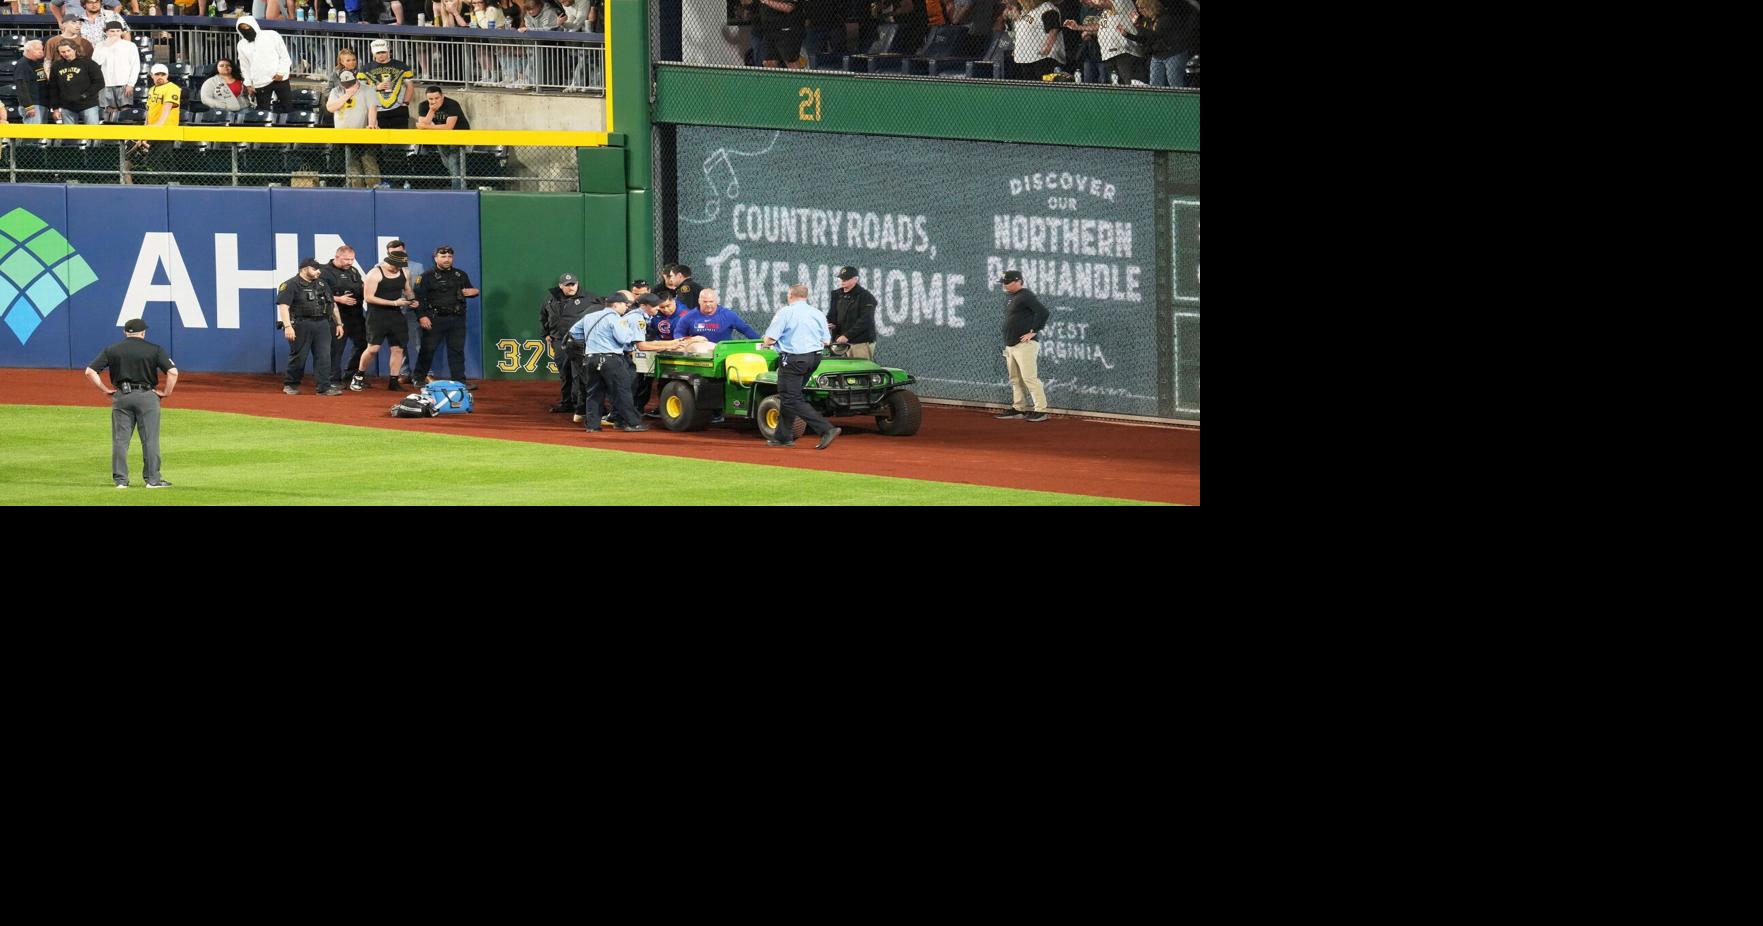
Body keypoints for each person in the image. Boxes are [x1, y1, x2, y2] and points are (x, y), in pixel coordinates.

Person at [568, 291, 683, 433]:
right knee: (623, 391)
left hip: (590, 358)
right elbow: (624, 339)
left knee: (594, 393)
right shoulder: (616, 319)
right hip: (611, 359)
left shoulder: (590, 316)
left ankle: (592, 426)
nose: (627, 307)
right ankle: (632, 423)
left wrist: (594, 341)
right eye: (624, 304)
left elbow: (574, 332)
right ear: (616, 305)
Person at [86, 317, 177, 489]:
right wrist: (166, 392)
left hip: (122, 397)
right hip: (147, 397)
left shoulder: (112, 349)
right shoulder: (154, 349)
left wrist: (104, 389)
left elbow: (90, 371)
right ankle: (153, 480)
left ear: (125, 333)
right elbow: (173, 372)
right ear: (143, 332)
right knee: (150, 440)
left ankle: (121, 481)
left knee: (120, 440)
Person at [760, 282, 840, 450]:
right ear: (806, 296)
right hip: (815, 358)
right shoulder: (817, 313)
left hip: (794, 360)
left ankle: (826, 429)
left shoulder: (786, 312)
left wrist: (767, 342)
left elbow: (769, 339)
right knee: (790, 397)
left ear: (790, 295)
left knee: (790, 397)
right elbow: (826, 341)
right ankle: (783, 437)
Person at [413, 245, 479, 387]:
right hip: (434, 319)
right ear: (436, 258)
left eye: (449, 256)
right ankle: (419, 378)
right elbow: (418, 299)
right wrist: (422, 317)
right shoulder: (426, 277)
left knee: (457, 351)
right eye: (443, 256)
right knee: (427, 350)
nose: (447, 259)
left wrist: (475, 292)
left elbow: (469, 290)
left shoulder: (460, 275)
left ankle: (460, 382)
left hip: (457, 319)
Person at [278, 258, 344, 395]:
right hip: (301, 324)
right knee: (299, 356)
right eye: (315, 269)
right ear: (304, 269)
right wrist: (288, 326)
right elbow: (284, 307)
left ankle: (324, 387)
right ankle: (291, 384)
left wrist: (339, 323)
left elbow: (332, 304)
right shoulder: (290, 284)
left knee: (324, 356)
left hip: (322, 324)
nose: (318, 271)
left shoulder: (322, 284)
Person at [352, 251, 415, 392]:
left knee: (398, 349)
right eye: (396, 265)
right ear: (390, 261)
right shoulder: (374, 273)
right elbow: (368, 297)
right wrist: (394, 303)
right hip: (377, 316)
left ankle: (393, 380)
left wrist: (412, 300)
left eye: (401, 265)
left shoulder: (404, 272)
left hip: (396, 316)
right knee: (373, 349)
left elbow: (408, 290)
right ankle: (359, 376)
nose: (398, 268)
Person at [994, 269, 1049, 421]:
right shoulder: (1012, 297)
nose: (1004, 285)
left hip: (1025, 345)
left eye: (1008, 282)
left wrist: (1034, 331)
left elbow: (1043, 312)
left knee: (1029, 378)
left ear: (1018, 281)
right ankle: (1019, 408)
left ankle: (1041, 410)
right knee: (1015, 379)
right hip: (1012, 345)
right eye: (1003, 282)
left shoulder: (1026, 295)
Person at [540, 272, 596, 414]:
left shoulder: (590, 298)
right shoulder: (550, 300)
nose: (571, 287)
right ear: (561, 286)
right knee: (565, 373)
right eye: (567, 285)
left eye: (573, 284)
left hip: (579, 342)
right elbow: (544, 316)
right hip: (559, 341)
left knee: (580, 374)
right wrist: (546, 333)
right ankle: (567, 402)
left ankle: (581, 404)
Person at [320, 245, 368, 391]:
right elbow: (318, 294)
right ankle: (333, 379)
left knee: (363, 345)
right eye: (346, 259)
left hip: (356, 315)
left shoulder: (353, 270)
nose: (349, 262)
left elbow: (362, 288)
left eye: (352, 259)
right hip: (336, 316)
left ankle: (352, 376)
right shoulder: (324, 272)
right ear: (337, 257)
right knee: (336, 348)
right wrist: (338, 299)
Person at [324, 68, 381, 187]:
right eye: (345, 84)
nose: (347, 86)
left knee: (369, 162)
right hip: (344, 135)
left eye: (350, 83)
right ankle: (356, 190)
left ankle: (374, 189)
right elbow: (330, 108)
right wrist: (347, 95)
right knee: (351, 165)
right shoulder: (336, 91)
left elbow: (372, 108)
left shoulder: (368, 89)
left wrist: (371, 124)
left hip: (363, 133)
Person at [414, 85, 470, 188]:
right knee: (447, 164)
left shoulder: (452, 104)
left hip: (458, 136)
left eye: (436, 98)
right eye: (430, 99)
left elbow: (449, 127)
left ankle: (458, 191)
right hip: (440, 137)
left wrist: (426, 126)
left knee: (453, 163)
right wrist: (432, 111)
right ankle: (462, 183)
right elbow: (423, 127)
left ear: (442, 96)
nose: (434, 101)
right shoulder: (423, 105)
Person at [235, 15, 292, 111]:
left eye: (247, 27)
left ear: (253, 25)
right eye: (242, 28)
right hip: (260, 82)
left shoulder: (272, 35)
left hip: (280, 79)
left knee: (287, 108)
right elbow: (245, 66)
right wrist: (248, 84)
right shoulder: (241, 45)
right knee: (263, 111)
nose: (245, 30)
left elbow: (284, 56)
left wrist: (281, 72)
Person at [827, 265, 878, 359]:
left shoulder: (865, 296)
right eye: (841, 278)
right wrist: (830, 323)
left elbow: (866, 320)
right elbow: (832, 314)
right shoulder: (836, 294)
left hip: (859, 342)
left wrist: (847, 336)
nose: (843, 281)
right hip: (838, 343)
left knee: (861, 371)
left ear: (855, 279)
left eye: (846, 279)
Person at [675, 288, 760, 343]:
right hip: (699, 355)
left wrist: (760, 342)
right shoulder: (688, 317)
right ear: (699, 301)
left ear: (716, 301)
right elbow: (678, 334)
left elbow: (746, 329)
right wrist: (690, 340)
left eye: (711, 301)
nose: (708, 304)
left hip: (723, 353)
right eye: (705, 301)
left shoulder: (728, 315)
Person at [362, 39, 414, 129]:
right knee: (379, 141)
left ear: (388, 50)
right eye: (378, 53)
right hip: (377, 110)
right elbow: (361, 89)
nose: (381, 55)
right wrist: (376, 87)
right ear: (373, 53)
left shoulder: (401, 65)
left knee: (401, 140)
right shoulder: (365, 68)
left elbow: (410, 85)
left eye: (383, 52)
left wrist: (405, 103)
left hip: (398, 109)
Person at [1005, 0, 1062, 80]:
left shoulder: (1047, 8)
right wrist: (1017, 47)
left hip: (1042, 57)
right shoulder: (1024, 11)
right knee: (1029, 83)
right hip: (1025, 56)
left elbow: (1053, 29)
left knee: (1042, 80)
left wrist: (1047, 47)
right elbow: (1021, 31)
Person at [51, 42, 104, 126]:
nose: (66, 54)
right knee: (69, 136)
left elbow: (99, 83)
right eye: (63, 52)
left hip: (88, 104)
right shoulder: (56, 65)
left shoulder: (89, 63)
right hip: (66, 106)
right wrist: (55, 108)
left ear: (75, 49)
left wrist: (85, 95)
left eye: (68, 50)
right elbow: (53, 87)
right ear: (59, 52)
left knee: (93, 134)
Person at [93, 19, 138, 120]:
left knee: (125, 111)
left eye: (118, 31)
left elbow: (135, 66)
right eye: (112, 31)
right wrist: (107, 46)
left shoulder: (130, 45)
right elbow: (96, 63)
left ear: (122, 32)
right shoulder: (100, 45)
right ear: (106, 32)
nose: (115, 33)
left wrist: (131, 84)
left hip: (124, 83)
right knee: (109, 111)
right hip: (106, 84)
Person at [754, 0, 806, 69]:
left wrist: (766, 1)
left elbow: (788, 7)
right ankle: (775, 80)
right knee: (768, 62)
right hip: (770, 30)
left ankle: (799, 79)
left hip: (786, 30)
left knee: (791, 62)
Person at [12, 41, 48, 125]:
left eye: (42, 49)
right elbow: (21, 86)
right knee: (33, 135)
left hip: (41, 103)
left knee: (41, 135)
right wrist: (28, 106)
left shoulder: (38, 63)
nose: (41, 51)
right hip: (32, 105)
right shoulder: (22, 64)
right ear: (28, 50)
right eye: (37, 49)